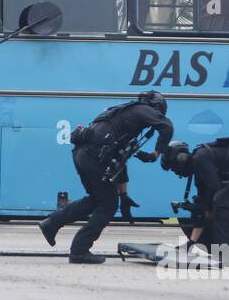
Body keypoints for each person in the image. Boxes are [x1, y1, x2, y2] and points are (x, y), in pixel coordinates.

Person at [38, 91, 173, 263]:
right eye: (158, 113)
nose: (156, 118)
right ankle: (79, 251)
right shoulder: (142, 110)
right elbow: (167, 127)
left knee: (97, 199)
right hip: (93, 156)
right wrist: (156, 153)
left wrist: (123, 195)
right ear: (156, 107)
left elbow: (119, 159)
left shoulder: (125, 115)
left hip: (83, 154)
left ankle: (52, 223)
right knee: (108, 205)